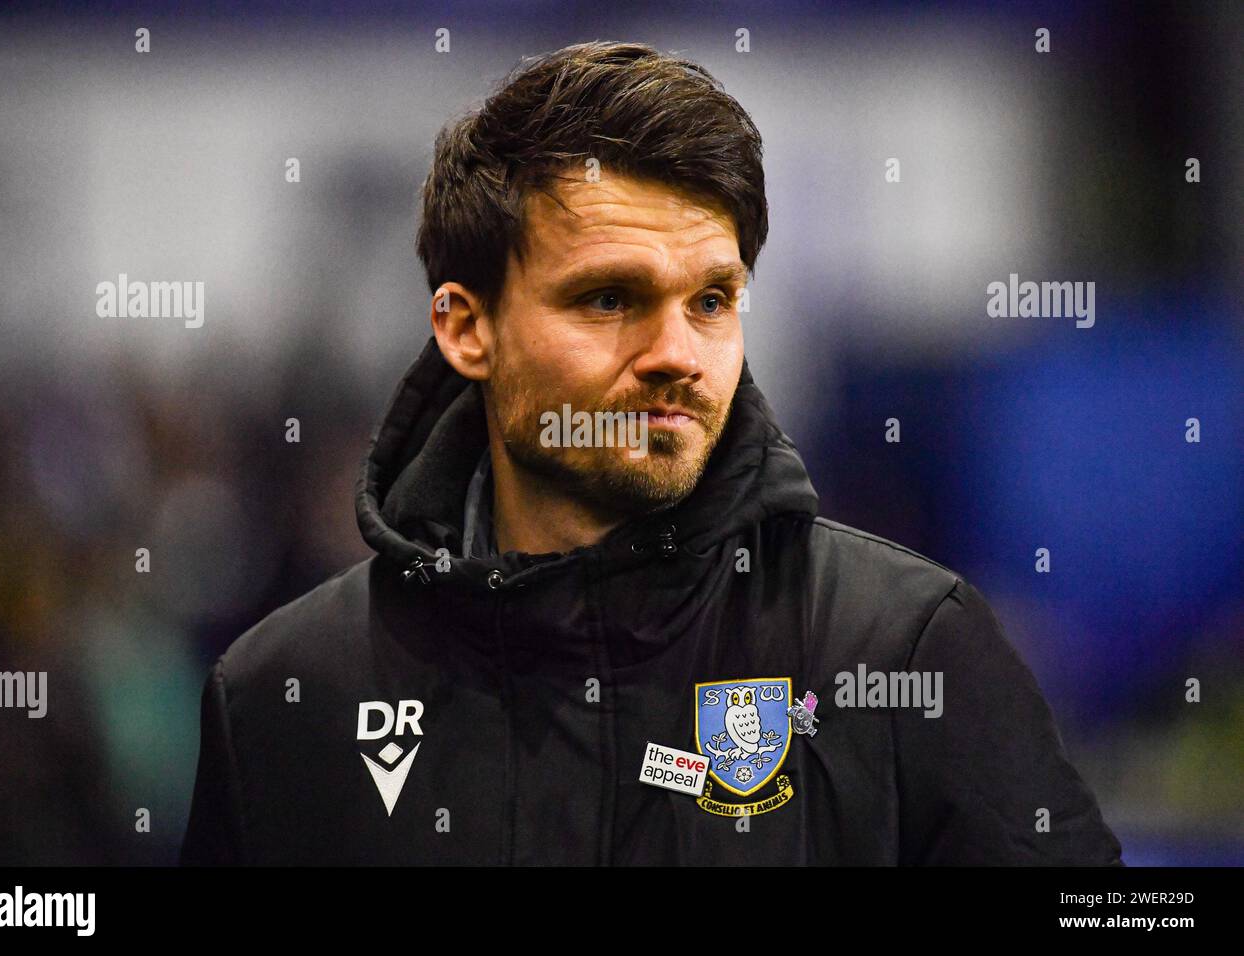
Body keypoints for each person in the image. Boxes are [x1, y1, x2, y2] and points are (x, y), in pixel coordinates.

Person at [180, 40, 1123, 865]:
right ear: (468, 328)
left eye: (711, 301)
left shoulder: (906, 650)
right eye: (608, 299)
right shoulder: (285, 695)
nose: (677, 354)